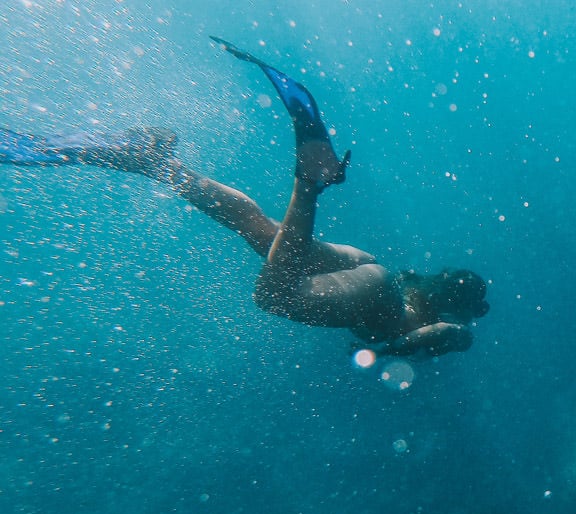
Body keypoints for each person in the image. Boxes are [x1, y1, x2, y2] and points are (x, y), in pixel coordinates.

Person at [0, 37, 489, 357]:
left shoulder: (416, 288)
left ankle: (156, 164)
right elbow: (439, 335)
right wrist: (382, 353)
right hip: (376, 293)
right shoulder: (455, 327)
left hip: (369, 268)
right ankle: (310, 181)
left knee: (255, 226)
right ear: (461, 306)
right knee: (275, 297)